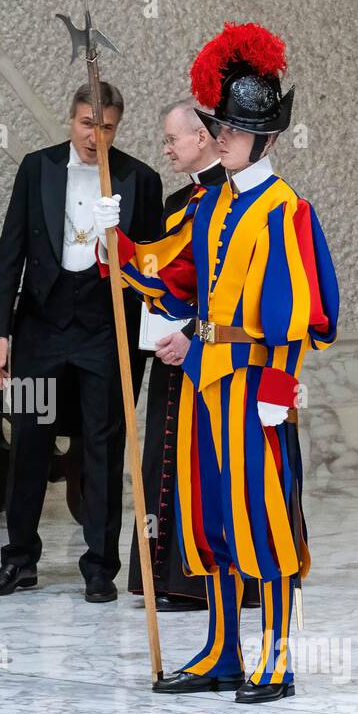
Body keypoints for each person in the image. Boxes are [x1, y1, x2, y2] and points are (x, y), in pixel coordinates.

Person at [96, 24, 339, 702]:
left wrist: (278, 386)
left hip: (254, 386)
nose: (221, 135)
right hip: (208, 384)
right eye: (219, 126)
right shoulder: (214, 206)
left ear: (263, 136)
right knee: (214, 524)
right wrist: (114, 241)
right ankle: (223, 651)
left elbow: (296, 311)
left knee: (263, 523)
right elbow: (172, 278)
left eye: (233, 128)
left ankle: (277, 659)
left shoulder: (285, 210)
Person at [0, 81, 162, 604]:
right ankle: (19, 561)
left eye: (105, 127)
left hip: (105, 331)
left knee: (102, 448)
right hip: (41, 326)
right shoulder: (37, 169)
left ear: (117, 128)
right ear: (70, 120)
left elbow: (153, 266)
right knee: (29, 445)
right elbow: (8, 252)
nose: (94, 136)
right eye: (86, 123)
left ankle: (100, 567)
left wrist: (121, 239)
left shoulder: (139, 179)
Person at [127, 100, 223, 613]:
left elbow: (228, 290)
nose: (165, 149)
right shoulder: (176, 201)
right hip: (171, 348)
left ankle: (201, 580)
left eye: (172, 139)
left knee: (207, 458)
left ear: (202, 137)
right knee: (166, 452)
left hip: (213, 349)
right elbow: (161, 276)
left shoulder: (232, 201)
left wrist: (194, 333)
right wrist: (113, 243)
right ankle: (165, 574)